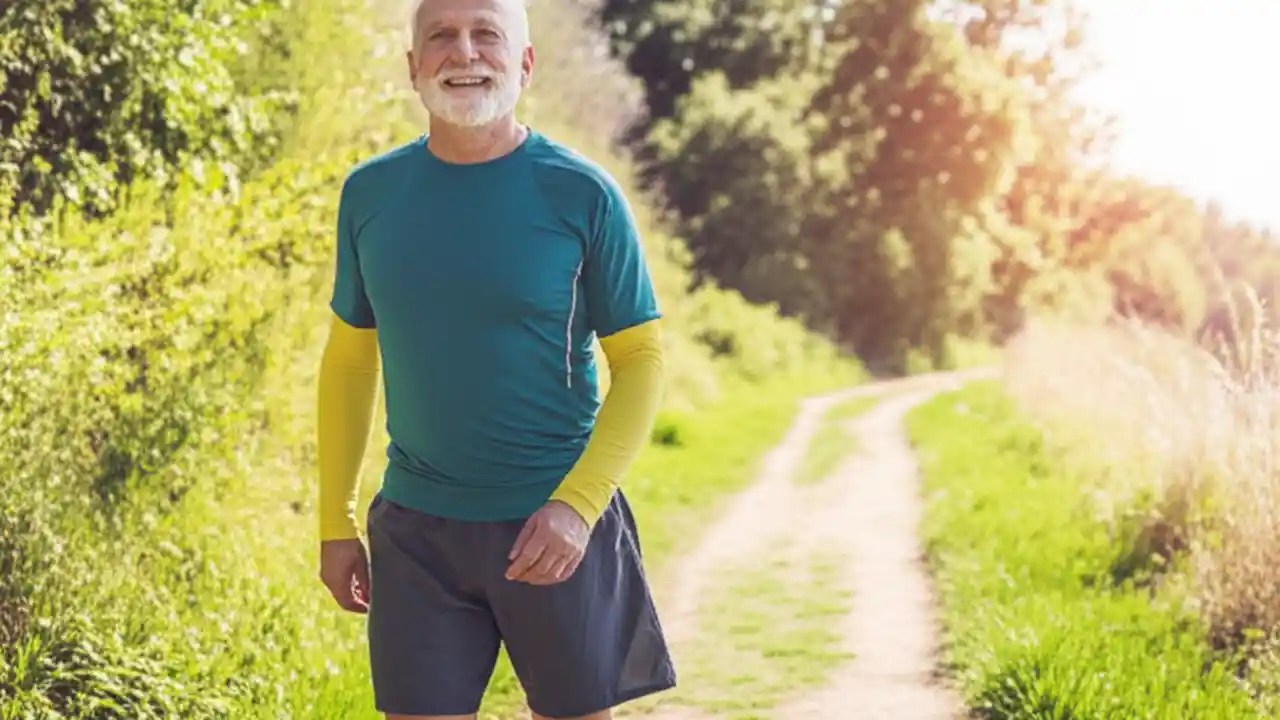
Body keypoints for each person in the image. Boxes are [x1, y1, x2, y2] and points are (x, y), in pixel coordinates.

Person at [313, 0, 676, 717]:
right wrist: (335, 520)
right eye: (441, 37)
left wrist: (577, 508)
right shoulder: (369, 195)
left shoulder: (584, 194)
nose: (465, 53)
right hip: (417, 533)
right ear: (413, 67)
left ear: (526, 63)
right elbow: (350, 365)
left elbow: (642, 360)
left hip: (554, 526)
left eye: (488, 35)